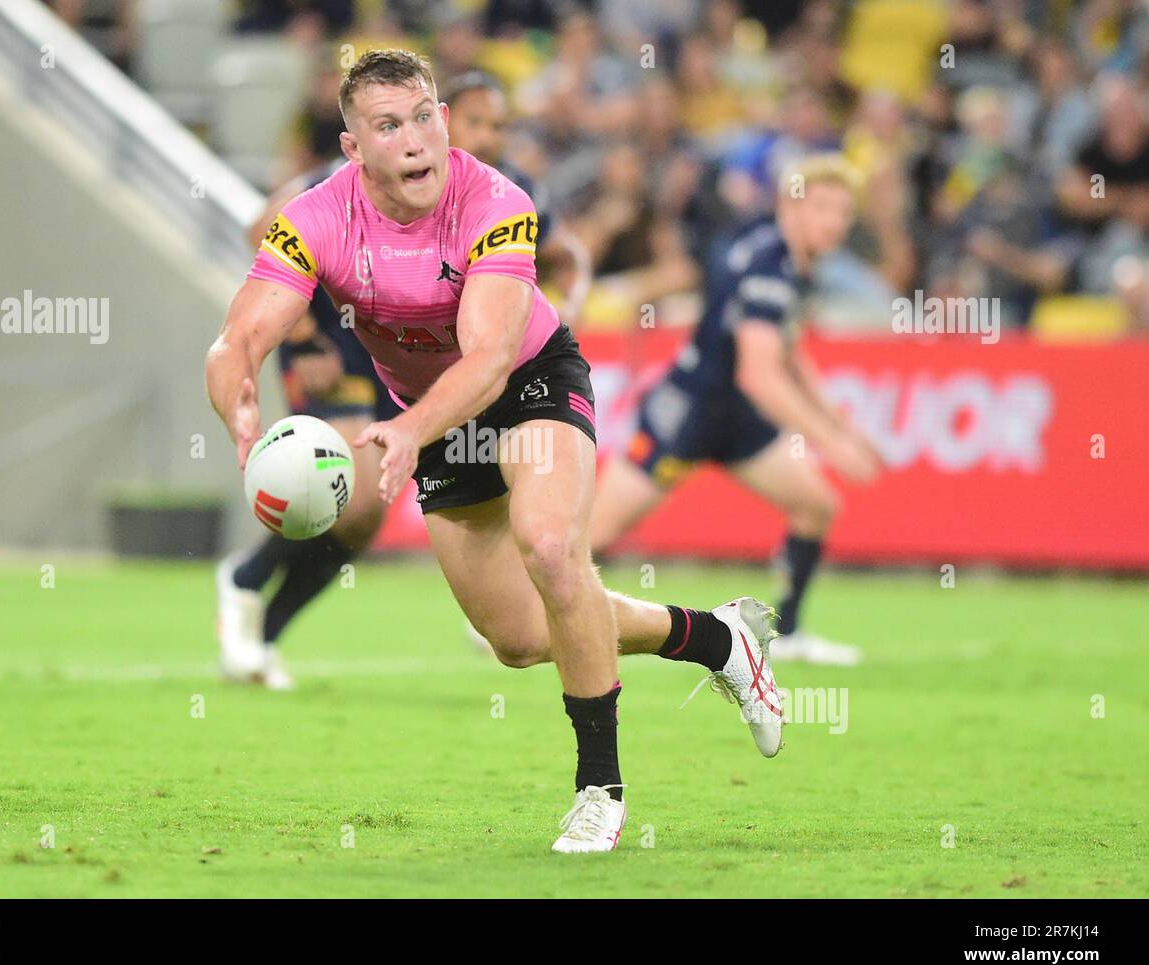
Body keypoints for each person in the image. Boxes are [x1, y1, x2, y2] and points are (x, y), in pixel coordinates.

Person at [206, 49, 785, 853]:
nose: (413, 140)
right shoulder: (314, 218)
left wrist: (407, 431)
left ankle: (599, 790)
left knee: (552, 549)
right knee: (519, 639)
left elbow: (489, 356)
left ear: (441, 118)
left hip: (529, 381)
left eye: (422, 116)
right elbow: (241, 334)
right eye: (387, 125)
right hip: (435, 417)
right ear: (352, 148)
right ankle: (721, 640)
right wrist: (234, 386)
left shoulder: (495, 198)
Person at [216, 71, 589, 689]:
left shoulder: (503, 192)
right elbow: (264, 226)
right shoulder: (345, 187)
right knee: (355, 496)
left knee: (363, 517)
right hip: (341, 344)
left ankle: (265, 626)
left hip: (430, 359)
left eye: (497, 125)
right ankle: (246, 581)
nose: (488, 136)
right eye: (476, 122)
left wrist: (565, 304)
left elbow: (563, 255)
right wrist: (305, 336)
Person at [590, 155, 882, 666]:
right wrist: (832, 442)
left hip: (737, 418)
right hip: (689, 413)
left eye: (843, 211)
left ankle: (787, 635)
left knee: (816, 505)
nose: (835, 221)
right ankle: (516, 614)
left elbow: (787, 350)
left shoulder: (787, 255)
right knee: (598, 532)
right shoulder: (772, 267)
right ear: (791, 206)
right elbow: (759, 372)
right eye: (823, 207)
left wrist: (840, 424)